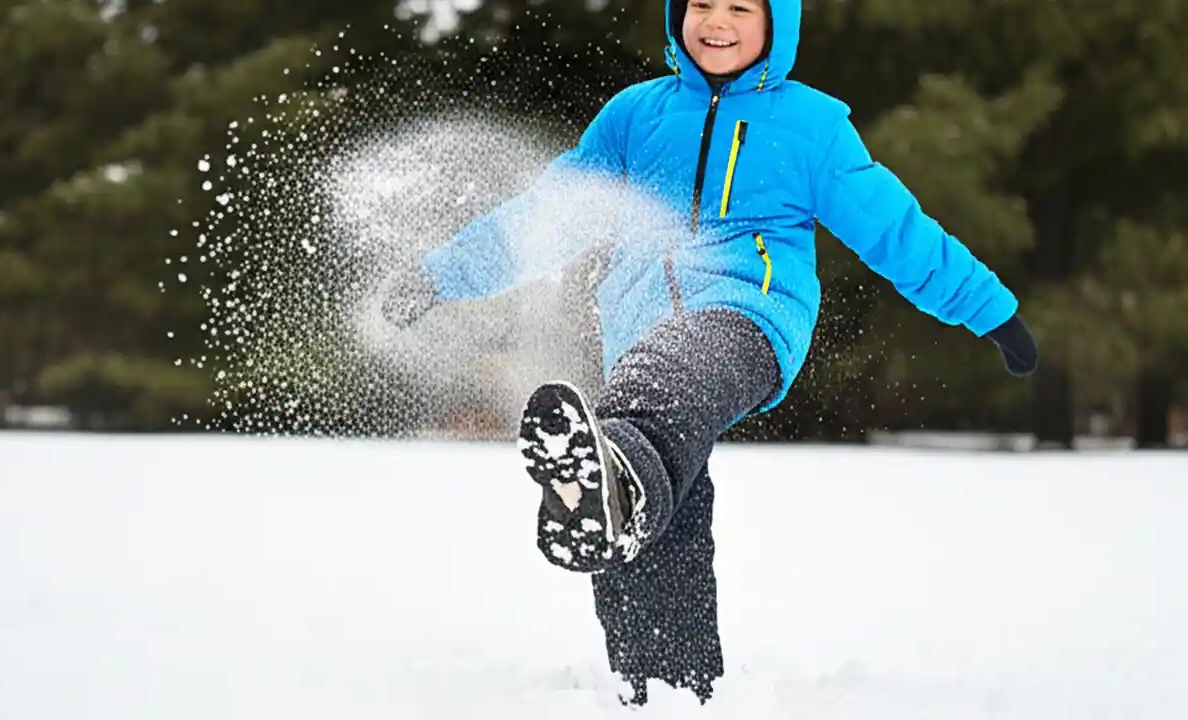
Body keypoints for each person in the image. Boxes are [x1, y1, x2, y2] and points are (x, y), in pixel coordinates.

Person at [381, 0, 1039, 706]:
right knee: (655, 507)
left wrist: (989, 310)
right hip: (639, 341)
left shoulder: (812, 128)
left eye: (738, 7)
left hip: (749, 318)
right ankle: (664, 681)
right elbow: (550, 216)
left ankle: (618, 476)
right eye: (700, 4)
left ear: (775, 24)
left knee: (648, 413)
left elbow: (896, 230)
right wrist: (441, 273)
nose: (715, 22)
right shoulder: (635, 116)